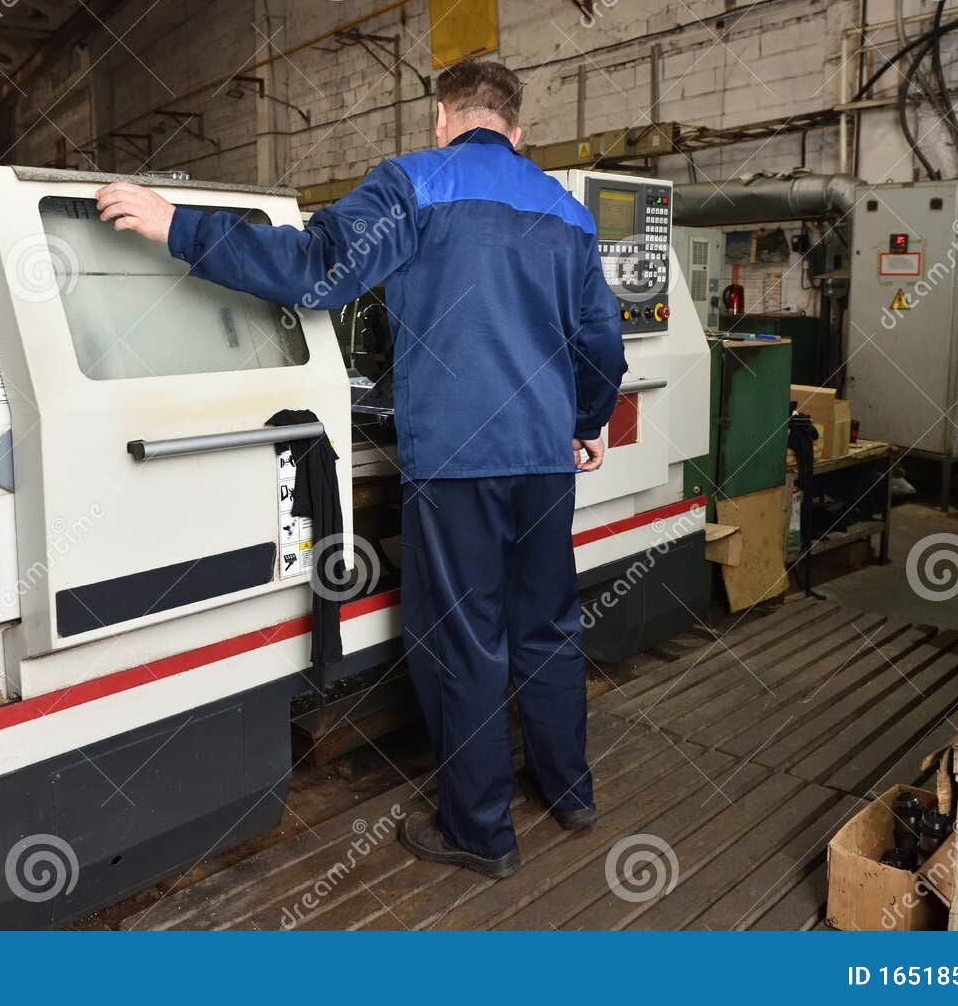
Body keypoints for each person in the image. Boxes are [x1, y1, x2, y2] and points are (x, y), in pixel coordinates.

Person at [94, 58, 626, 879]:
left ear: (443, 117)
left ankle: (482, 834)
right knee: (548, 627)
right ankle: (571, 792)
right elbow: (601, 343)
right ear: (516, 133)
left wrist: (179, 226)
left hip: (456, 460)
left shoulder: (415, 183)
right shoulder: (567, 211)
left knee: (466, 642)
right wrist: (585, 421)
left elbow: (315, 270)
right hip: (543, 462)